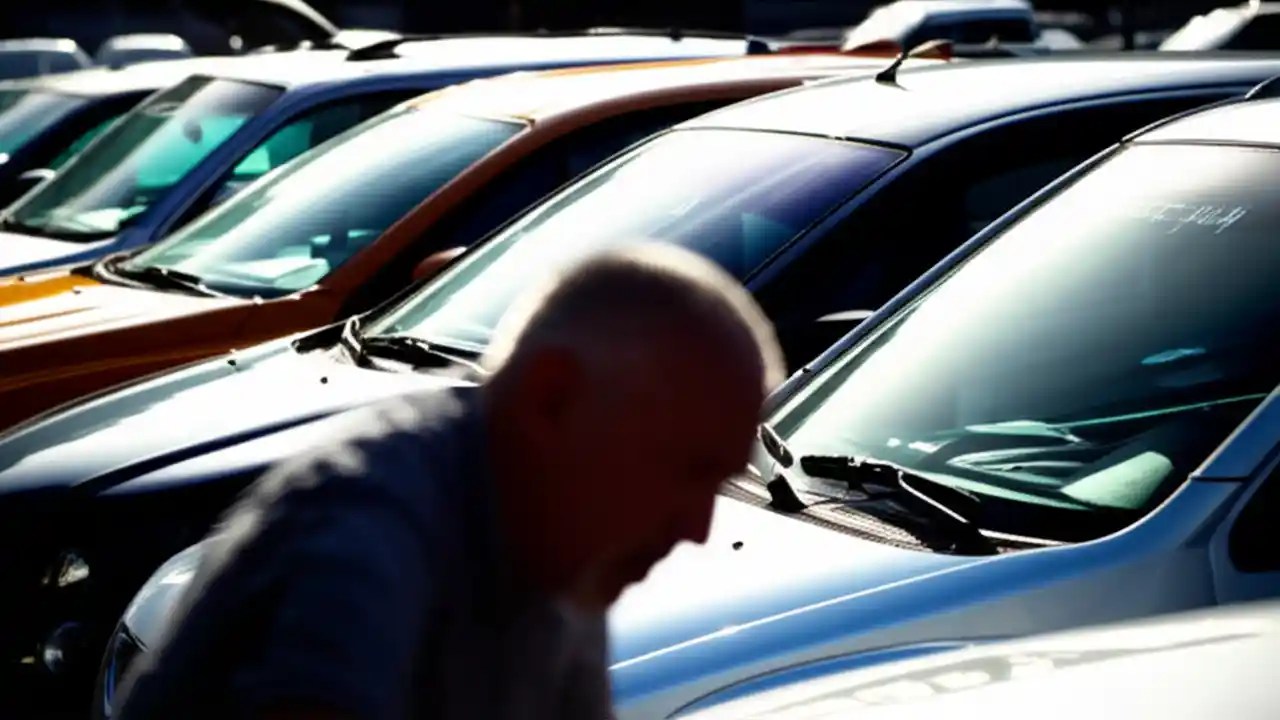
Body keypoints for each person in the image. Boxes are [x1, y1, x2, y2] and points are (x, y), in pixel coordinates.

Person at [115, 243, 786, 720]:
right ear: (550, 399)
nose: (698, 527)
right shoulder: (368, 529)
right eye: (686, 470)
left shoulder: (559, 545)